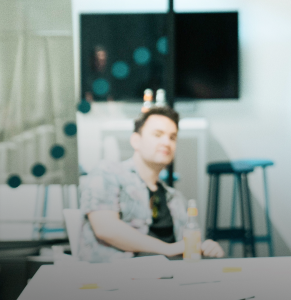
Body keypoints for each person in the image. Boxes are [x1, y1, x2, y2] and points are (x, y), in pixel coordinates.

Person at [78, 106, 225, 262]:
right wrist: (167, 249)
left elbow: (186, 247)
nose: (166, 142)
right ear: (136, 140)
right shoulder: (107, 173)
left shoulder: (175, 199)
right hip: (118, 274)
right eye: (157, 135)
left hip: (172, 275)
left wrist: (205, 248)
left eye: (172, 137)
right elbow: (105, 227)